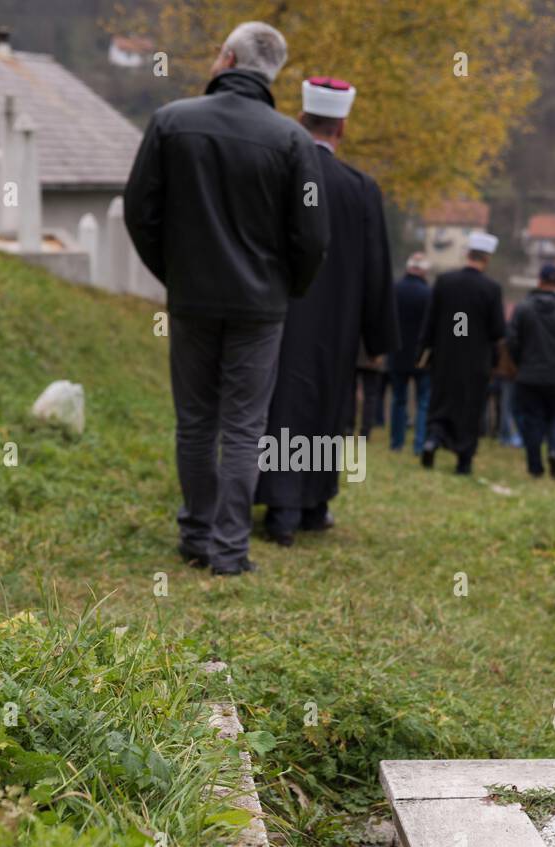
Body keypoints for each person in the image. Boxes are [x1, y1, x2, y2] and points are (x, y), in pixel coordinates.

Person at [124, 22, 329, 575]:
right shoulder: (291, 141)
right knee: (243, 427)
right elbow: (311, 235)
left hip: (192, 298)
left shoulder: (171, 123)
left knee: (195, 421)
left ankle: (195, 534)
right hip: (260, 307)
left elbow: (139, 212)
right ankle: (230, 549)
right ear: (272, 73)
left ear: (227, 57)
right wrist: (289, 287)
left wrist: (173, 273)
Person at [257, 77, 399, 546]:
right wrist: (377, 338)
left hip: (278, 314)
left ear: (301, 119)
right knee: (325, 409)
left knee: (279, 406)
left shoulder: (275, 173)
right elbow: (378, 269)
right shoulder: (360, 188)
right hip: (337, 325)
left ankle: (279, 507)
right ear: (341, 125)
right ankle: (313, 506)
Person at [417, 232, 506, 475]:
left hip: (445, 355)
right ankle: (463, 460)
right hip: (476, 361)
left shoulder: (445, 281)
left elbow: (430, 321)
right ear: (486, 259)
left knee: (441, 401)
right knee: (470, 408)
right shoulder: (491, 289)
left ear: (467, 254)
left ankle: (433, 439)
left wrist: (423, 350)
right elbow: (498, 329)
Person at [506, 263, 555, 479]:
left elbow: (511, 340)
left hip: (527, 374)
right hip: (554, 375)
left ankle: (535, 466)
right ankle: (552, 451)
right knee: (554, 416)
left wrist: (520, 361)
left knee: (531, 418)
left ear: (539, 281)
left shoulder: (523, 308)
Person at [389, 253, 431, 454]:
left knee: (398, 399)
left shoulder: (395, 290)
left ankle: (396, 442)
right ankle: (419, 444)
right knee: (422, 401)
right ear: (423, 270)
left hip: (397, 352)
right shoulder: (429, 294)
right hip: (422, 356)